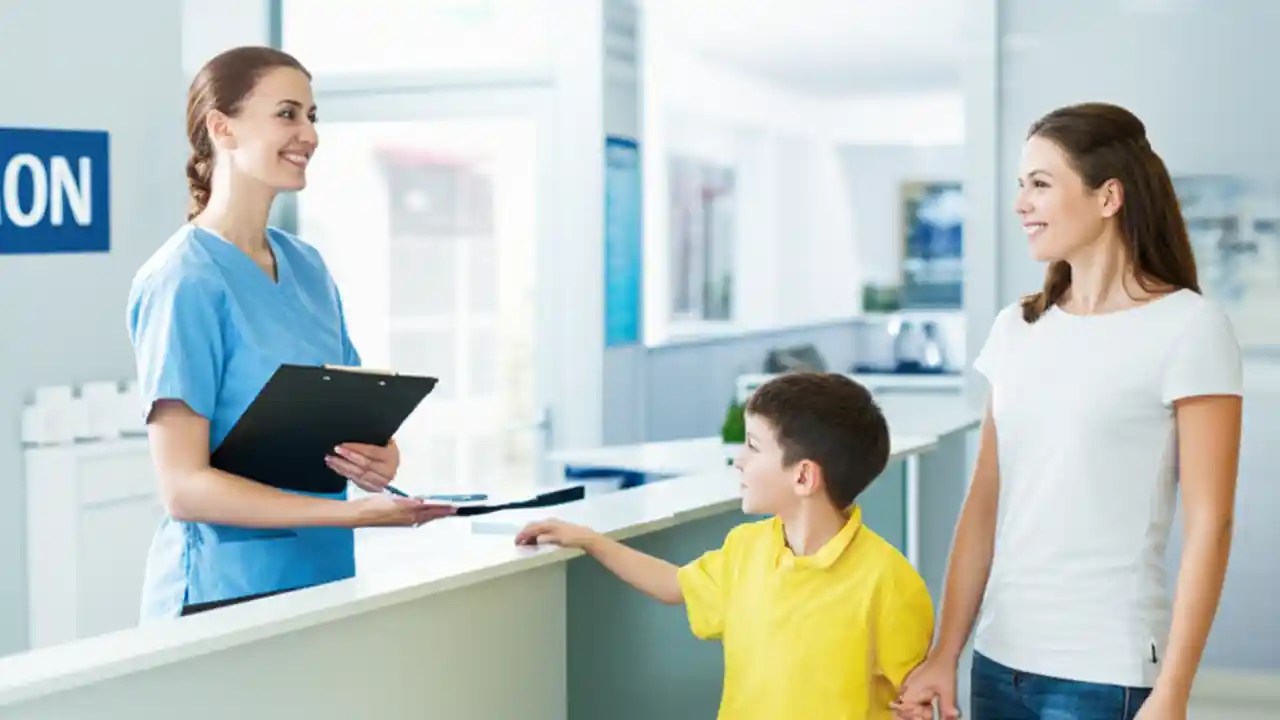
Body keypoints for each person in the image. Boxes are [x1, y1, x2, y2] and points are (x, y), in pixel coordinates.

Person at [893, 102, 1243, 720]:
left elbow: (1210, 524)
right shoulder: (1017, 328)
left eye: (1040, 184)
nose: (1021, 203)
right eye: (1020, 186)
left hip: (1106, 673)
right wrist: (947, 651)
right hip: (1000, 659)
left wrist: (1175, 690)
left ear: (1109, 196)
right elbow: (984, 502)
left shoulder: (1189, 328)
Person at [126, 46, 454, 621]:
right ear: (221, 127)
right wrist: (352, 515)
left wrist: (378, 458)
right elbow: (183, 488)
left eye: (311, 116)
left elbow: (353, 417)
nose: (309, 133)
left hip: (322, 582)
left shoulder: (307, 268)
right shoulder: (184, 279)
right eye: (287, 113)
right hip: (221, 596)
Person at [516, 373, 935, 719]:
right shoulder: (745, 549)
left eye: (753, 446)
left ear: (804, 477)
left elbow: (914, 700)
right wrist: (591, 541)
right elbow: (674, 585)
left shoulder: (889, 582)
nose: (739, 460)